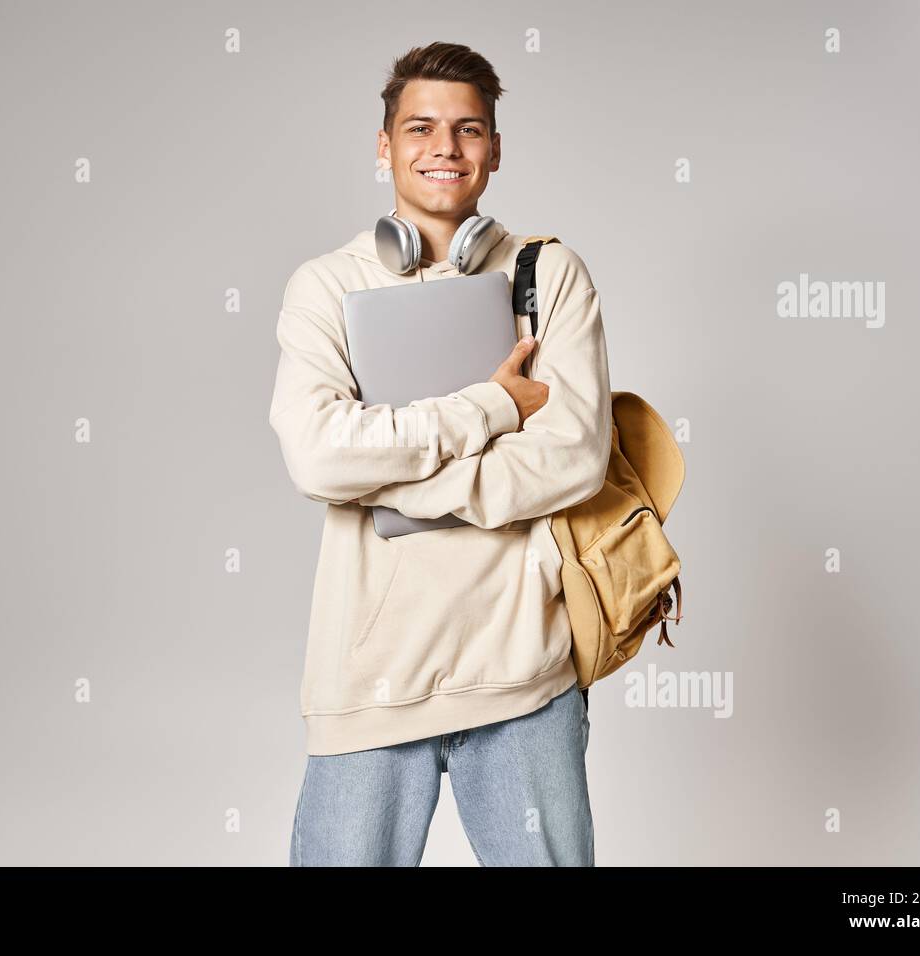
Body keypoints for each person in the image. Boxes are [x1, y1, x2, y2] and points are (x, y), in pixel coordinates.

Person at [268, 41, 613, 866]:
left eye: (468, 130)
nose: (444, 149)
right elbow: (318, 457)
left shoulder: (548, 275)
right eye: (420, 127)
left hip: (524, 670)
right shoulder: (324, 287)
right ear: (384, 146)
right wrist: (490, 407)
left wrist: (396, 490)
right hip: (371, 679)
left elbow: (571, 460)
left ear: (494, 149)